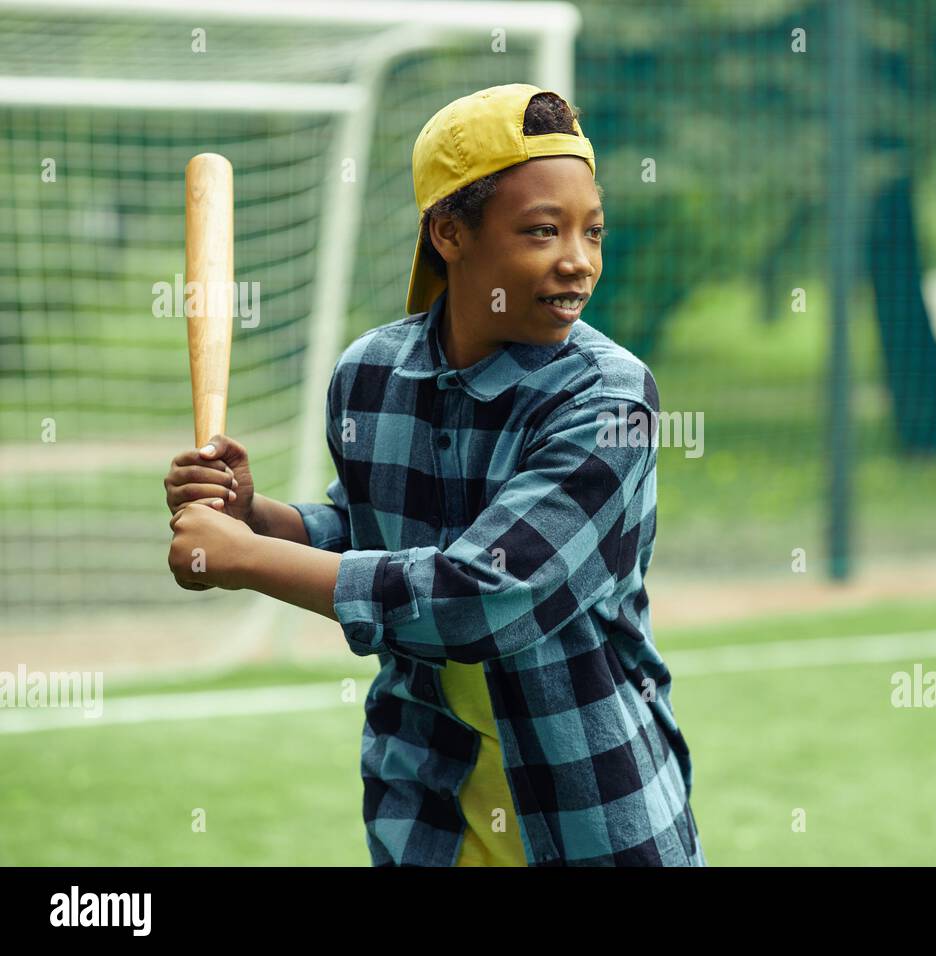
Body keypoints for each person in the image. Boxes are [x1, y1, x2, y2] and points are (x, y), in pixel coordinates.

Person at [162, 83, 705, 867]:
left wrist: (244, 560)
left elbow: (482, 598)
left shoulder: (608, 398)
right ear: (449, 233)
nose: (578, 262)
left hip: (589, 809)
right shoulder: (371, 373)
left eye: (593, 232)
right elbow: (368, 532)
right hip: (425, 806)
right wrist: (256, 519)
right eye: (542, 232)